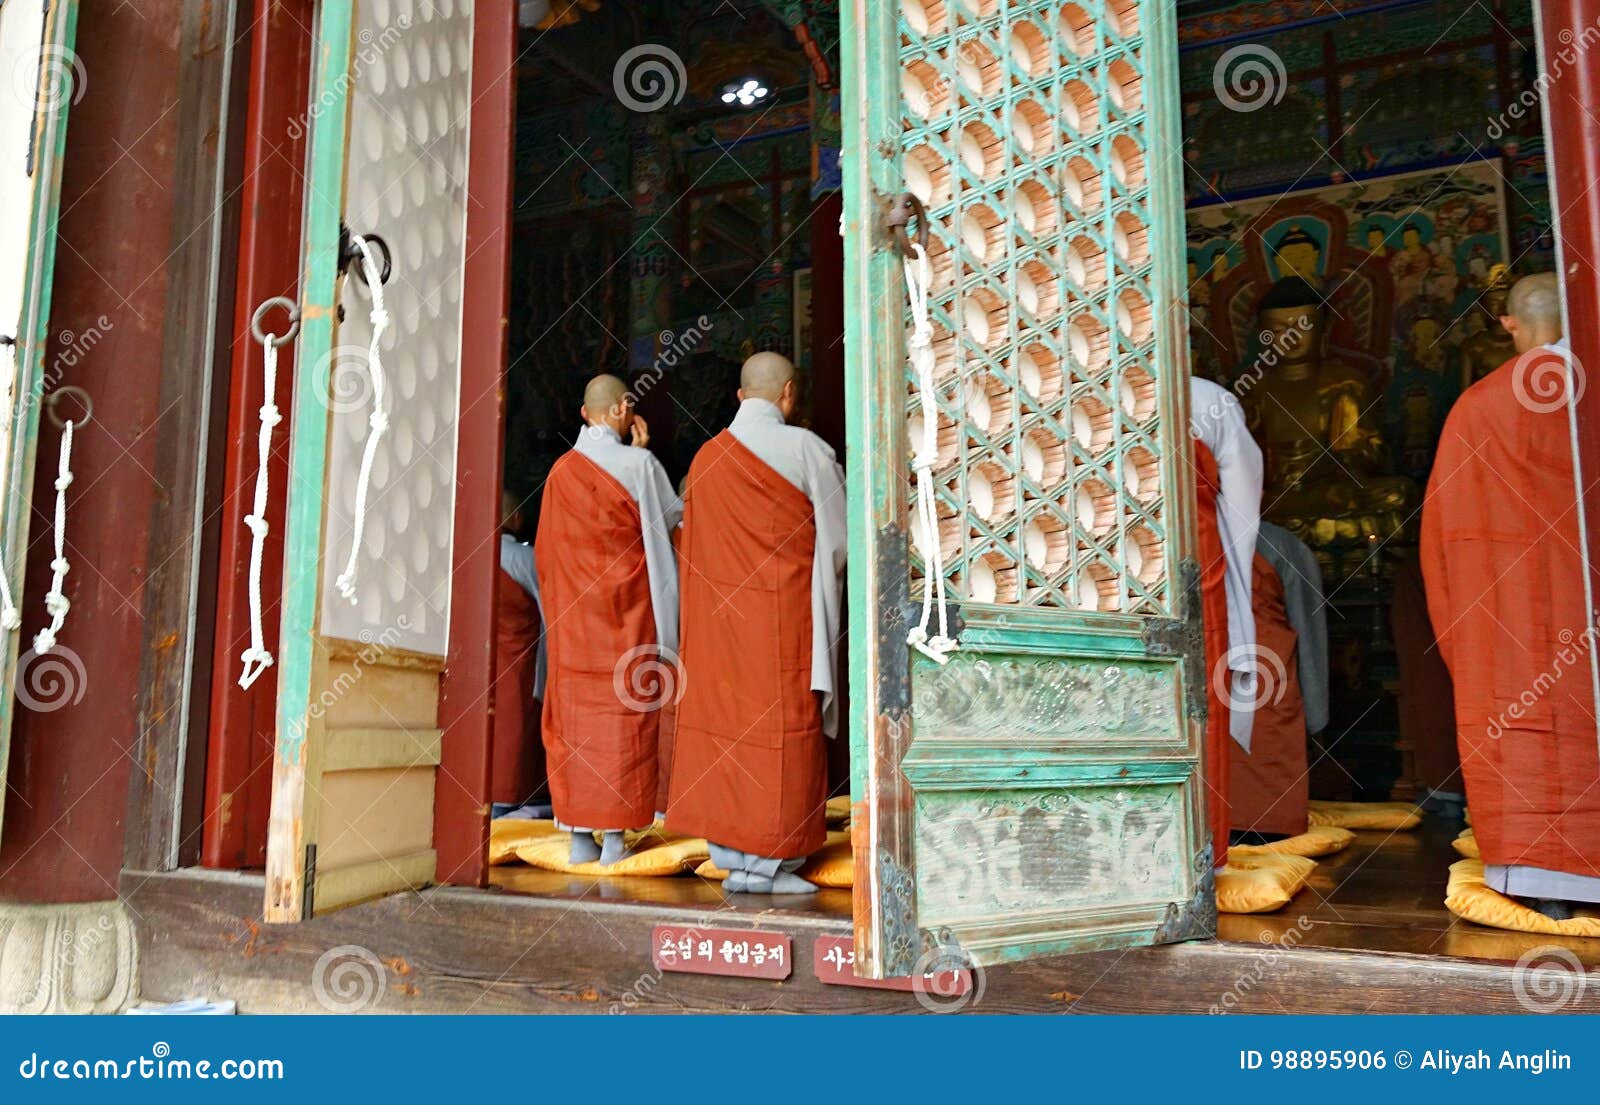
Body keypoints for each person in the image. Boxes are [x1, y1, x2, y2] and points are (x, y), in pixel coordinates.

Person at [1422, 272, 1600, 918]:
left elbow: (1446, 535)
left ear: (1508, 325)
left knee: (1523, 725)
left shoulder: (1477, 406)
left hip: (1510, 619)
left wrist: (1461, 629)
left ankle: (1539, 875)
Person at [666, 352, 846, 894]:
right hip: (781, 623)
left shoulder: (703, 460)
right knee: (783, 732)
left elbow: (687, 545)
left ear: (740, 398)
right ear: (789, 394)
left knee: (725, 735)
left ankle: (737, 862)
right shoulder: (807, 449)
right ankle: (772, 865)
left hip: (718, 632)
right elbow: (840, 542)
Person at [535, 374, 682, 866]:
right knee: (625, 723)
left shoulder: (559, 473)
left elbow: (547, 558)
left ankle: (578, 836)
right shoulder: (639, 464)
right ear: (622, 409)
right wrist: (646, 453)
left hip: (575, 630)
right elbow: (674, 521)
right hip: (627, 621)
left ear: (583, 413)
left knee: (574, 724)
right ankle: (615, 841)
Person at [1190, 376, 1264, 866]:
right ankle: (1200, 860)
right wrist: (1239, 601)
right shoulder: (1206, 398)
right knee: (1196, 711)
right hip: (1194, 573)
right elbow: (1241, 513)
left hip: (1092, 581)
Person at [1230, 522, 1327, 840]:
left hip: (1254, 679)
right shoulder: (1283, 544)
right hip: (1265, 682)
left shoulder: (1278, 544)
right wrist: (1316, 716)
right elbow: (1309, 631)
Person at [492, 490, 547, 812]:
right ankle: (514, 802)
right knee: (516, 735)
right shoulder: (524, 558)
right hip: (521, 668)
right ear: (517, 519)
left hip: (480, 667)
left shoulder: (462, 556)